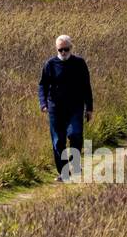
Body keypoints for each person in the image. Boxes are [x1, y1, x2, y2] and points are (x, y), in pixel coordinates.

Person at [38, 35, 95, 180]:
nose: (63, 52)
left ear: (71, 48)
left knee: (75, 134)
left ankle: (75, 162)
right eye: (60, 49)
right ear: (57, 49)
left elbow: (86, 86)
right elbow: (43, 85)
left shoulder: (80, 63)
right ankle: (63, 173)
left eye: (66, 49)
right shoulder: (50, 64)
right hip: (55, 109)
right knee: (58, 141)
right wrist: (43, 104)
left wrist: (89, 108)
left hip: (75, 107)